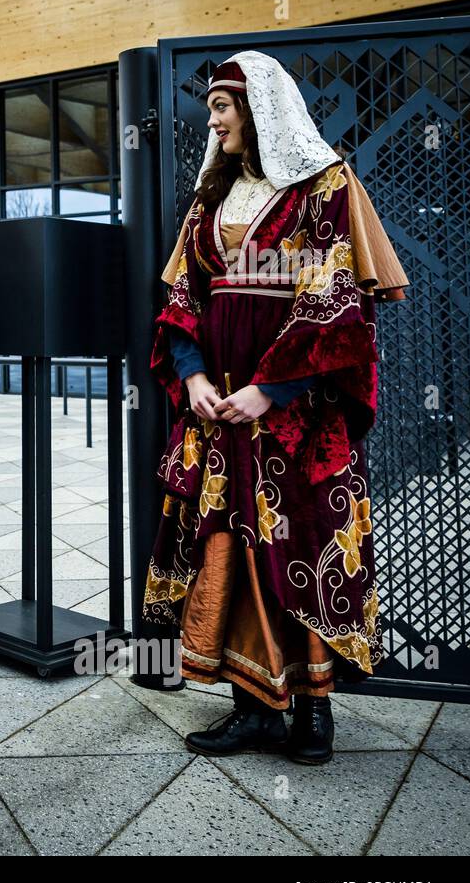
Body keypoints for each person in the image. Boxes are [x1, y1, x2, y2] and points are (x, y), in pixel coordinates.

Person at [141, 53, 409, 765]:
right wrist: (194, 378)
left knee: (301, 546)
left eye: (223, 106)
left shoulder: (323, 187)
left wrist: (271, 388)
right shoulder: (211, 198)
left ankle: (314, 709)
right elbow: (181, 298)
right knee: (226, 549)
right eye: (211, 109)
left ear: (258, 108)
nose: (213, 119)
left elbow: (335, 301)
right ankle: (252, 706)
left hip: (296, 416)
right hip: (219, 415)